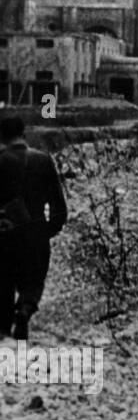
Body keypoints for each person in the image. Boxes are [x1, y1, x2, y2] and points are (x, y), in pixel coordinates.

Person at [0, 116, 68, 341]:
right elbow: (59, 207)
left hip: (4, 236)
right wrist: (46, 231)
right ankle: (25, 309)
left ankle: (3, 331)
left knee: (4, 282)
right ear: (24, 133)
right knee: (33, 281)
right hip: (35, 235)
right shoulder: (43, 160)